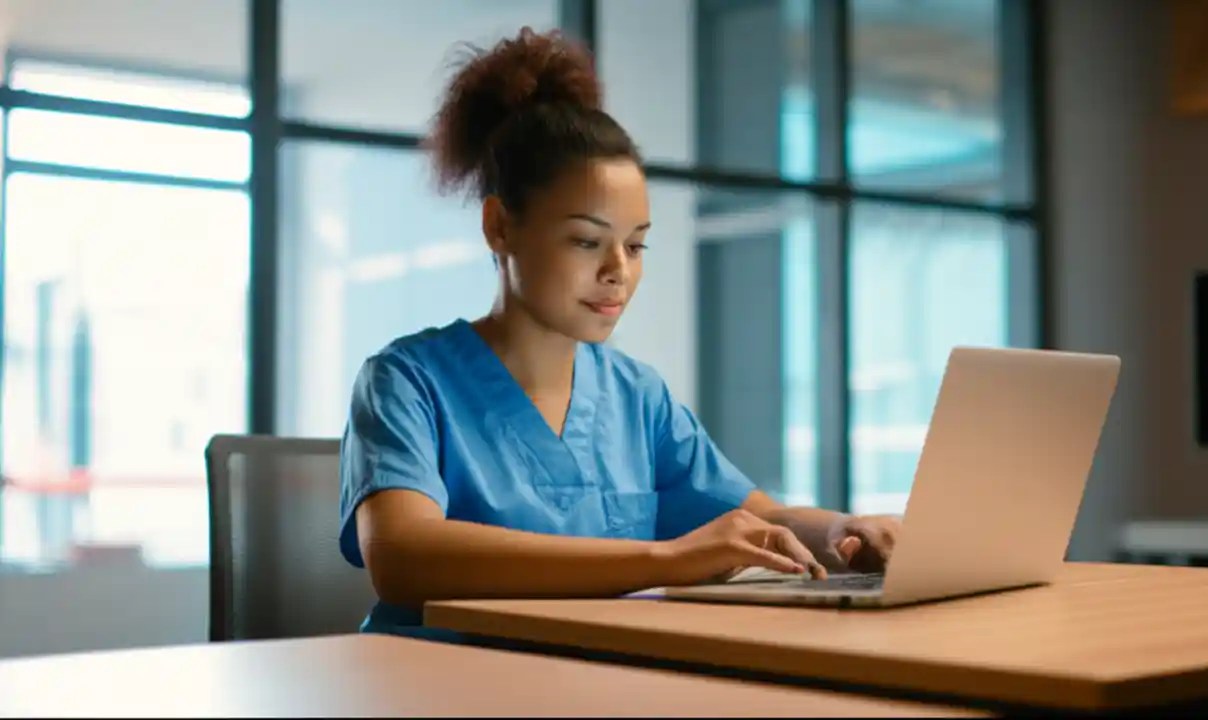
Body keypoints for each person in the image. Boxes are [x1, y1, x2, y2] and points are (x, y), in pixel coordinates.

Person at [338, 27, 901, 638]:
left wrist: (845, 530)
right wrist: (666, 560)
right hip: (435, 683)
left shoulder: (637, 397)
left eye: (635, 245)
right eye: (586, 240)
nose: (618, 272)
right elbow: (402, 556)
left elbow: (758, 517)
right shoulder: (407, 381)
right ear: (500, 227)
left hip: (598, 678)